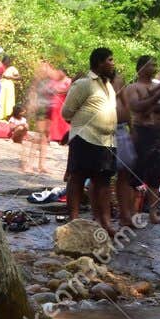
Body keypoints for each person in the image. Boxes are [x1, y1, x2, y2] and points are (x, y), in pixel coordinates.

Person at [61, 46, 120, 234]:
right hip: (85, 138)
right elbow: (66, 112)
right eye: (110, 60)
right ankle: (74, 220)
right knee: (77, 178)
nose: (113, 63)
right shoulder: (84, 84)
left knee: (103, 182)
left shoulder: (109, 86)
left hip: (106, 141)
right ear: (99, 62)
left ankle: (105, 222)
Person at [122, 55, 160, 226]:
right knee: (135, 174)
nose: (155, 67)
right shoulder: (133, 87)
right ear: (141, 68)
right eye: (151, 65)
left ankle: (153, 214)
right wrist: (157, 104)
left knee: (157, 174)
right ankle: (131, 214)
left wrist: (151, 105)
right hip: (142, 132)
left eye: (156, 64)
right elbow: (136, 107)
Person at [23, 63, 54, 174]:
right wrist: (32, 103)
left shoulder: (52, 79)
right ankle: (29, 164)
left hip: (49, 108)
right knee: (38, 136)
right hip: (41, 108)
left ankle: (42, 165)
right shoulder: (39, 79)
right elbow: (33, 91)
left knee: (45, 137)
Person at [48, 66, 72, 144]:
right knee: (55, 120)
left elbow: (70, 90)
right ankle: (54, 136)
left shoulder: (68, 80)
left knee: (63, 120)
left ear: (64, 73)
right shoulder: (55, 80)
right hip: (55, 102)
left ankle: (63, 137)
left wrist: (60, 92)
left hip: (63, 102)